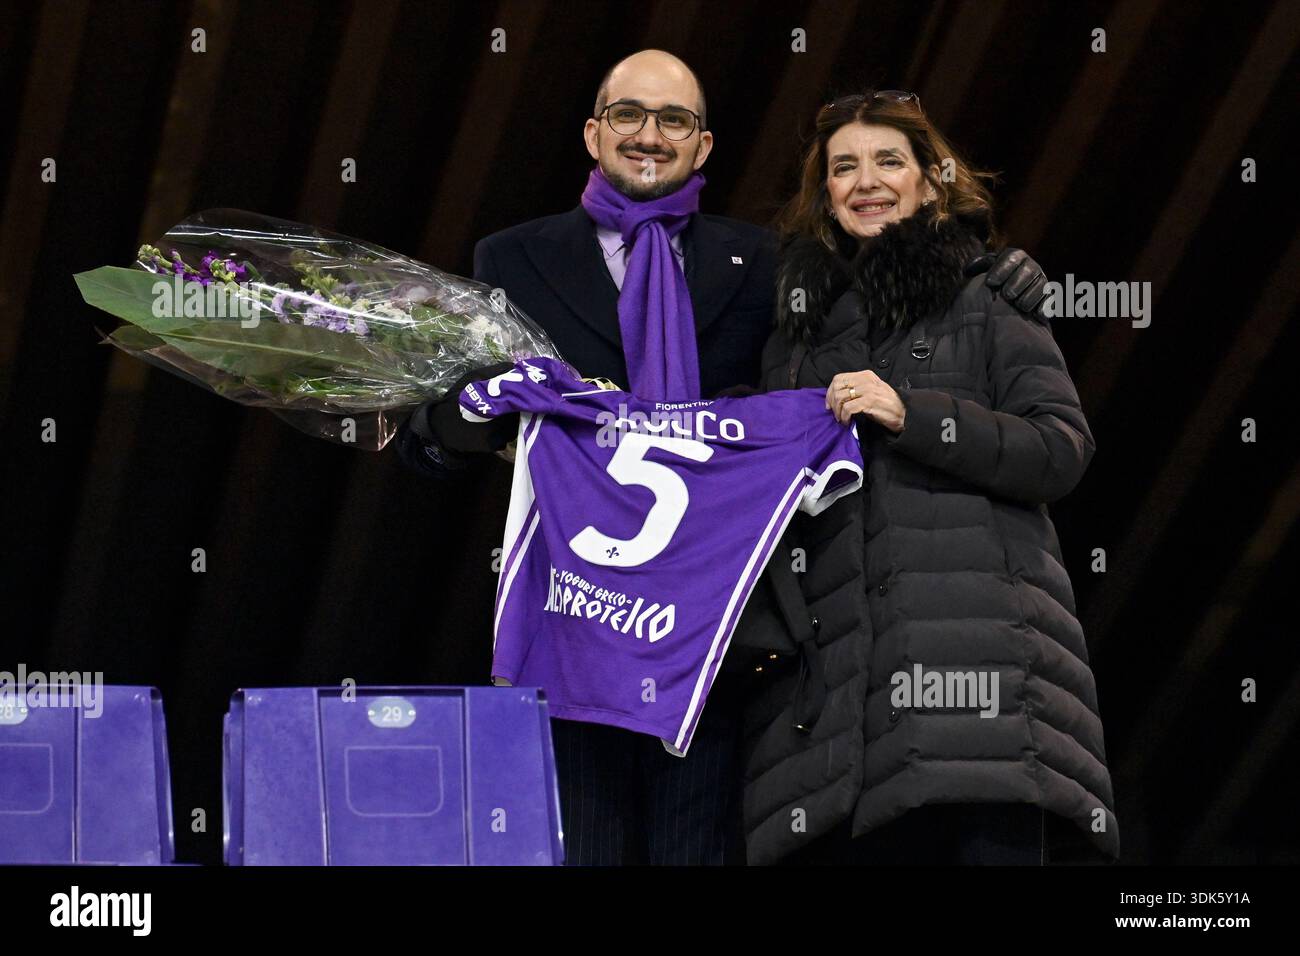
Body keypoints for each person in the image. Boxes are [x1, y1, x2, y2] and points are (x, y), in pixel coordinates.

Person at [396, 58, 1050, 865]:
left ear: (703, 146)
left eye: (674, 120)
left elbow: (880, 296)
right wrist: (474, 412)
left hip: (718, 644)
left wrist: (992, 269)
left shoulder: (766, 265)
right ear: (593, 132)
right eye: (627, 114)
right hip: (567, 636)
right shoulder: (509, 259)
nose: (649, 135)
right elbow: (430, 444)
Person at [741, 90, 1119, 866]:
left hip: (982, 705)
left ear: (930, 181)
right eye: (843, 167)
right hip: (838, 718)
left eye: (889, 160)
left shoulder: (989, 296)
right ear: (825, 195)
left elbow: (1059, 448)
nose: (866, 180)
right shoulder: (793, 340)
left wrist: (910, 414)